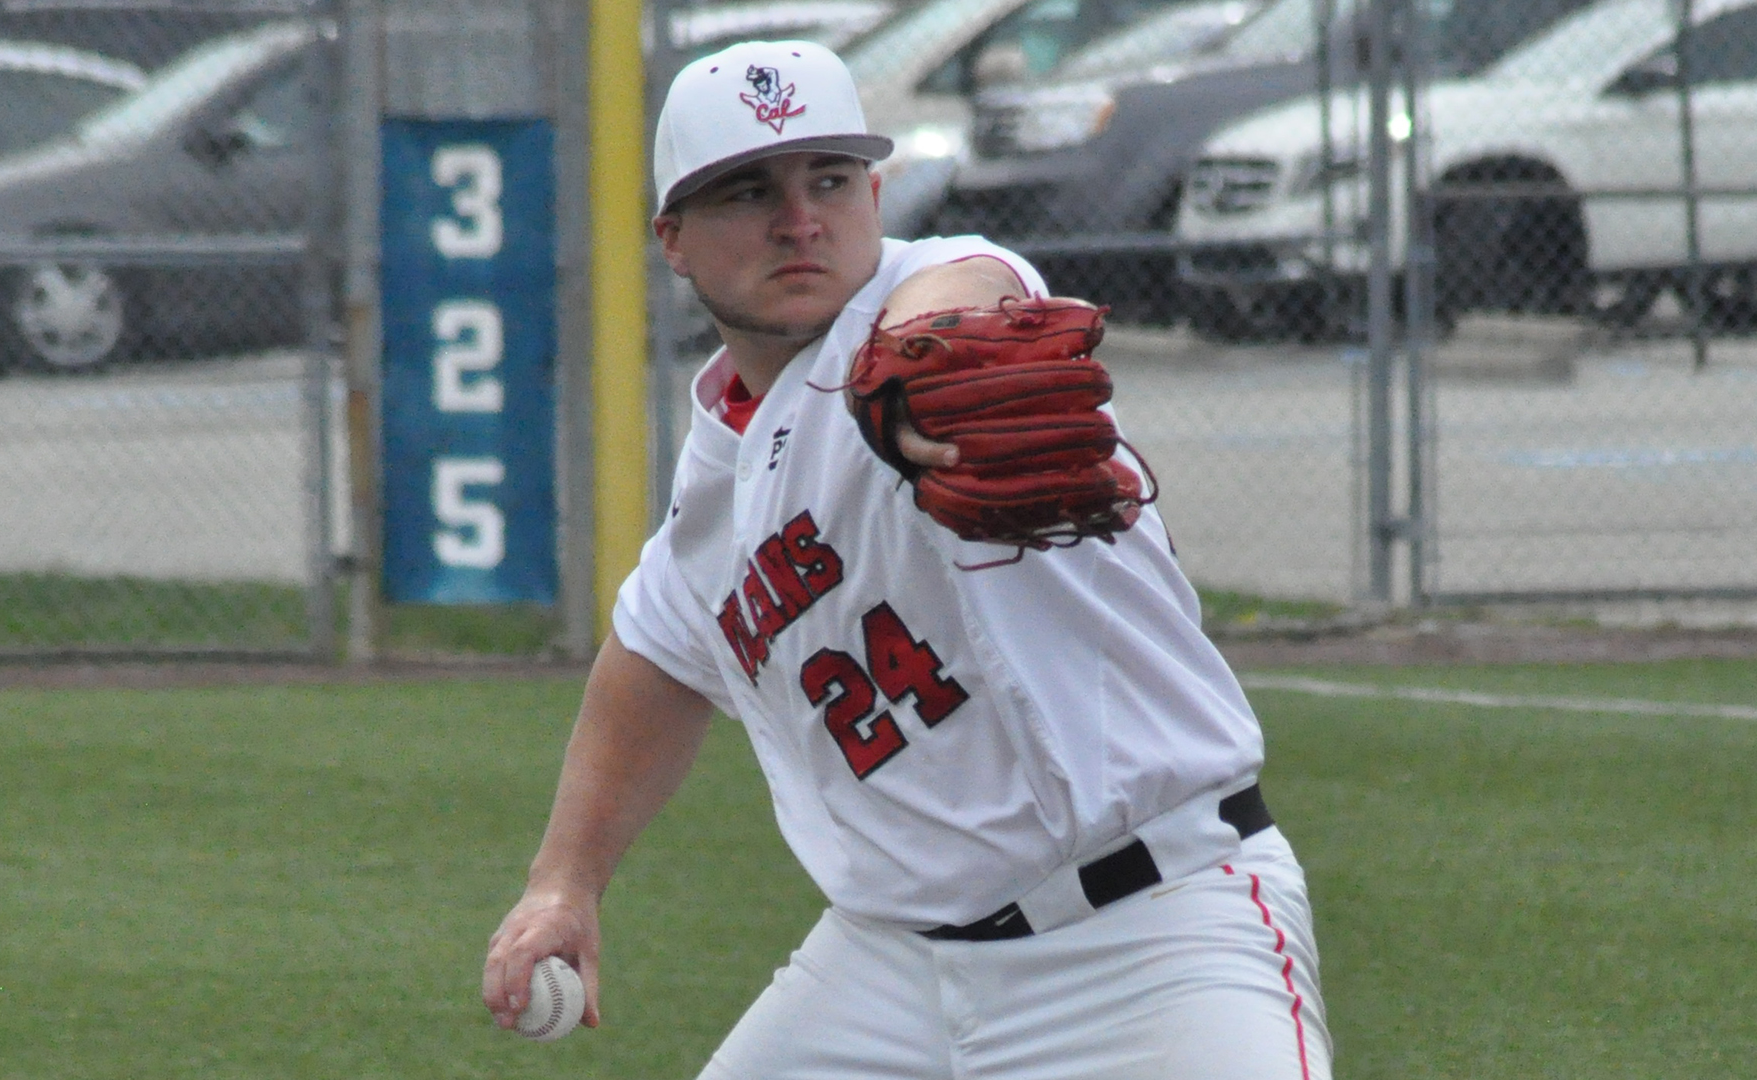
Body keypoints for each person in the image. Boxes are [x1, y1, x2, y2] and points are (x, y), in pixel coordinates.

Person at [482, 38, 1333, 1079]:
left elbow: (970, 289)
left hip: (1153, 931)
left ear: (876, 192)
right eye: (749, 191)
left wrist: (919, 364)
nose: (801, 219)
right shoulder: (711, 488)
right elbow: (651, 663)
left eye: (830, 180)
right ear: (674, 238)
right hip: (893, 972)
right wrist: (563, 884)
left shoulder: (931, 298)